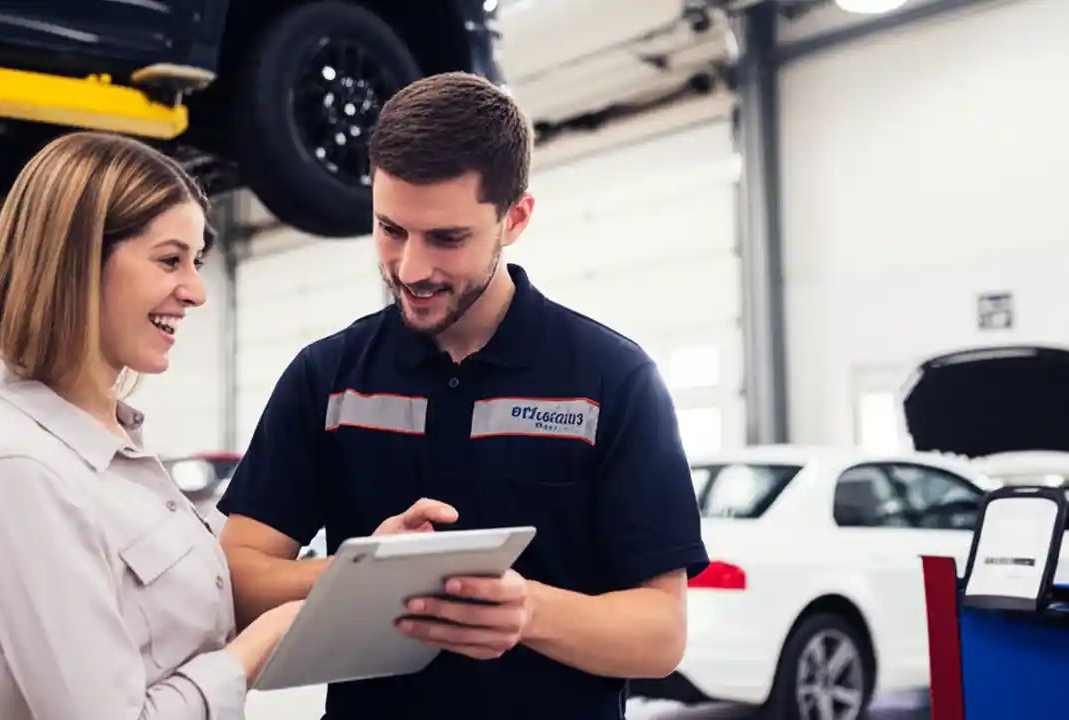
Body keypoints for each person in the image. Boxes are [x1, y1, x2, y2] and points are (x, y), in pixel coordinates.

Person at [216, 72, 710, 719]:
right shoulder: (327, 377)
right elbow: (235, 580)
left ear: (517, 218)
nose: (412, 269)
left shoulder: (612, 379)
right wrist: (367, 573)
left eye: (447, 239)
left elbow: (661, 635)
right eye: (391, 229)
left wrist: (528, 611)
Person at [0, 131, 301, 720]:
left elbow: (187, 622)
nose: (196, 291)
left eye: (197, 261)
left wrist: (364, 570)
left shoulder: (112, 451)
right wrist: (249, 655)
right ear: (77, 262)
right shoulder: (19, 468)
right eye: (169, 260)